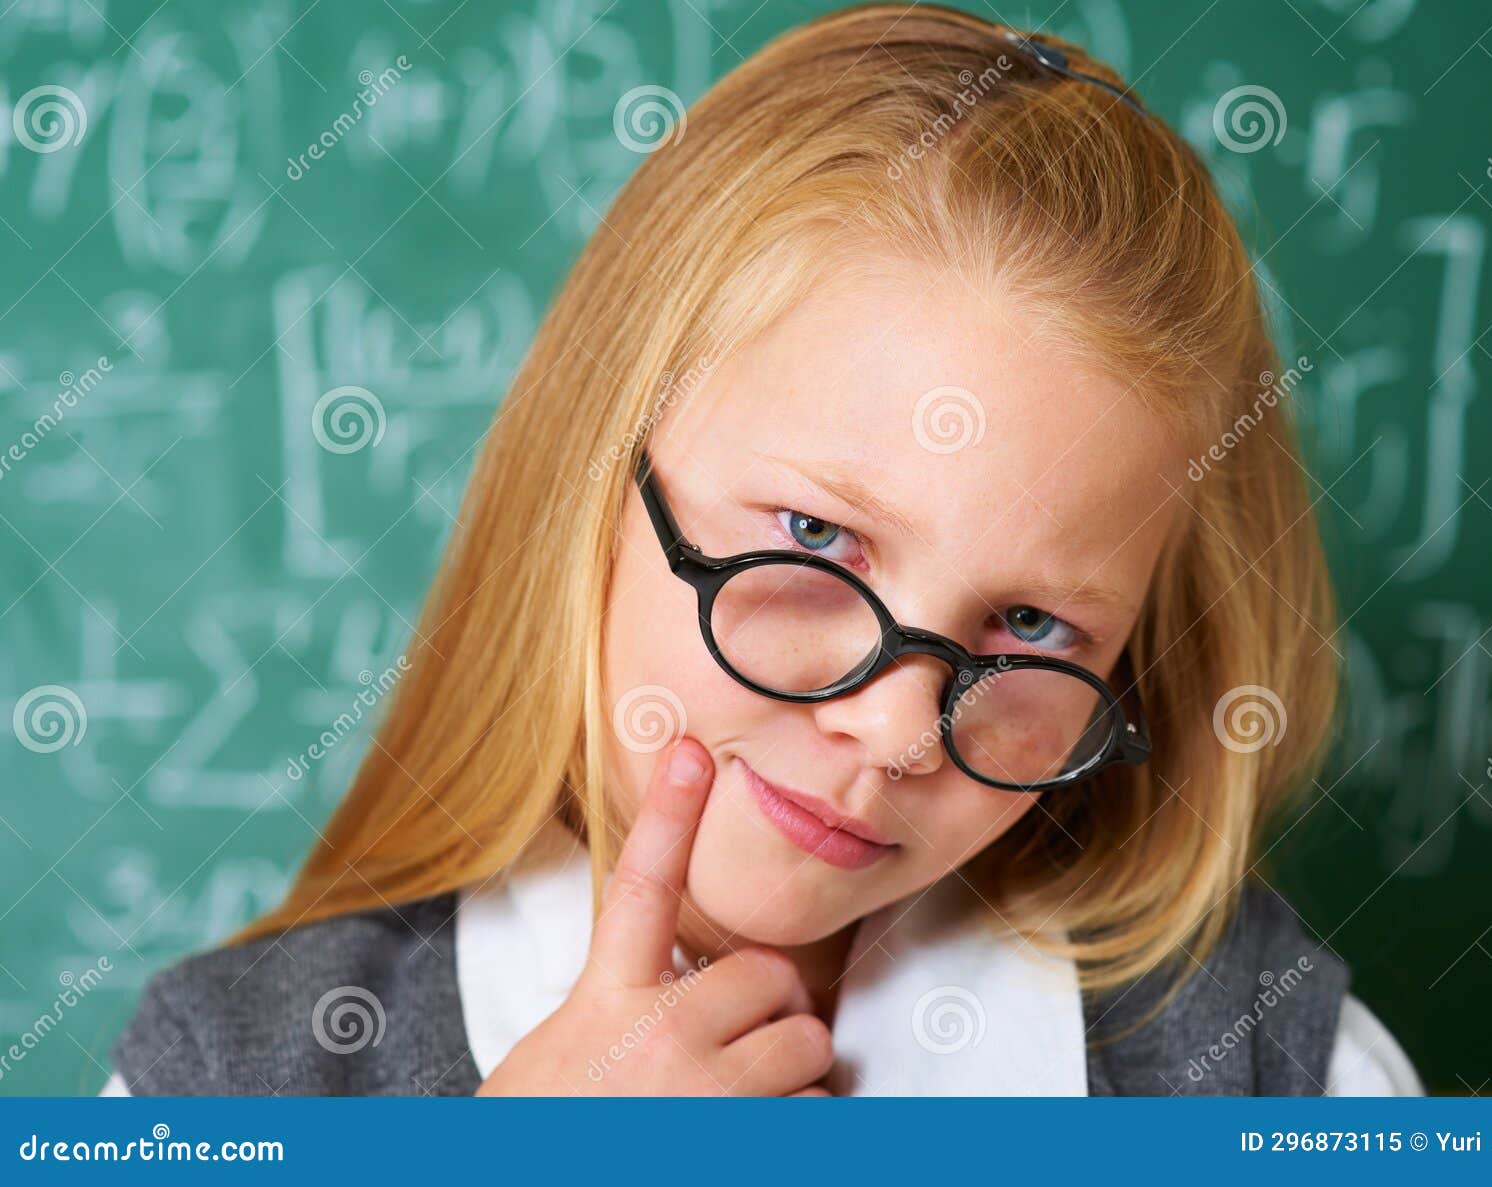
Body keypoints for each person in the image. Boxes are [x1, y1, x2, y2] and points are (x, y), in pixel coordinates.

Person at [103, 2, 1421, 1097]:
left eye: (1031, 628)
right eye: (816, 539)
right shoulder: (232, 1076)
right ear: (595, 472)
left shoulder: (1267, 1061)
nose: (899, 729)